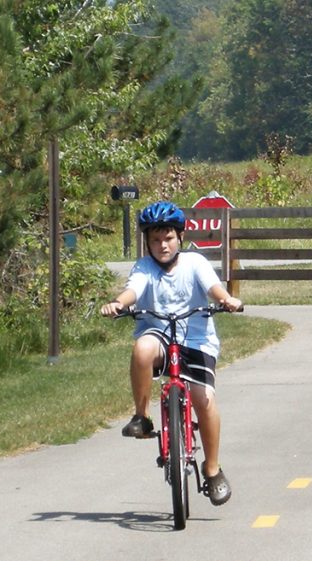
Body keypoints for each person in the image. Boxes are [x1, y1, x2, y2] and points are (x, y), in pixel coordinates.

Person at [100, 200, 242, 507]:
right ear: (147, 242)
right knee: (141, 348)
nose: (162, 245)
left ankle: (212, 469)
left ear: (179, 237)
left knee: (203, 399)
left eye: (168, 238)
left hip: (196, 339)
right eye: (155, 240)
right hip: (159, 335)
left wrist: (227, 299)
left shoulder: (195, 263)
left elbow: (212, 288)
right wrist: (119, 303)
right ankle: (142, 417)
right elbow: (133, 291)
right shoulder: (144, 267)